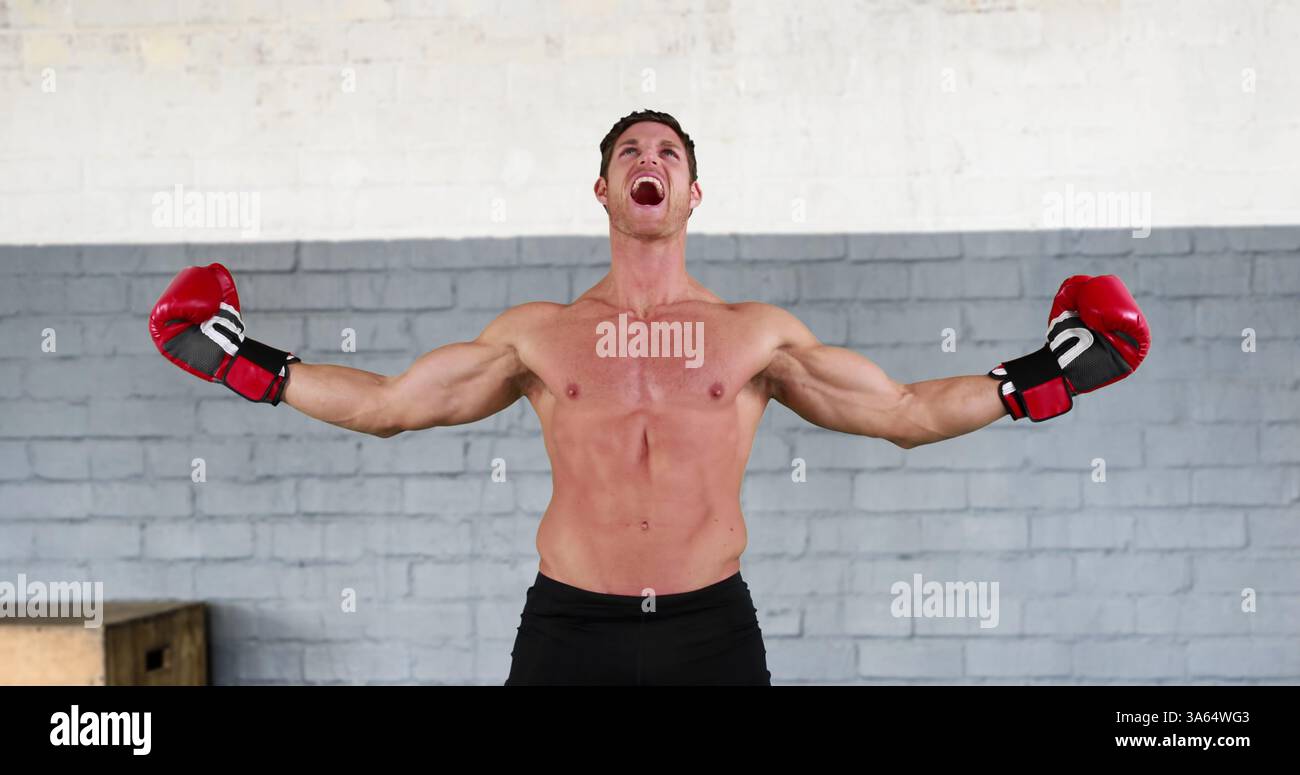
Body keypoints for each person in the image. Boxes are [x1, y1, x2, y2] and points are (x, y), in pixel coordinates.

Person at [149, 109, 1150, 685]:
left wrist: (1045, 376)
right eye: (629, 151)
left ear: (692, 195)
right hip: (568, 629)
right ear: (601, 191)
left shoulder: (753, 334)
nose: (648, 161)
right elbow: (390, 404)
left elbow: (899, 413)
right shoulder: (538, 333)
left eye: (668, 152)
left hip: (709, 630)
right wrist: (248, 362)